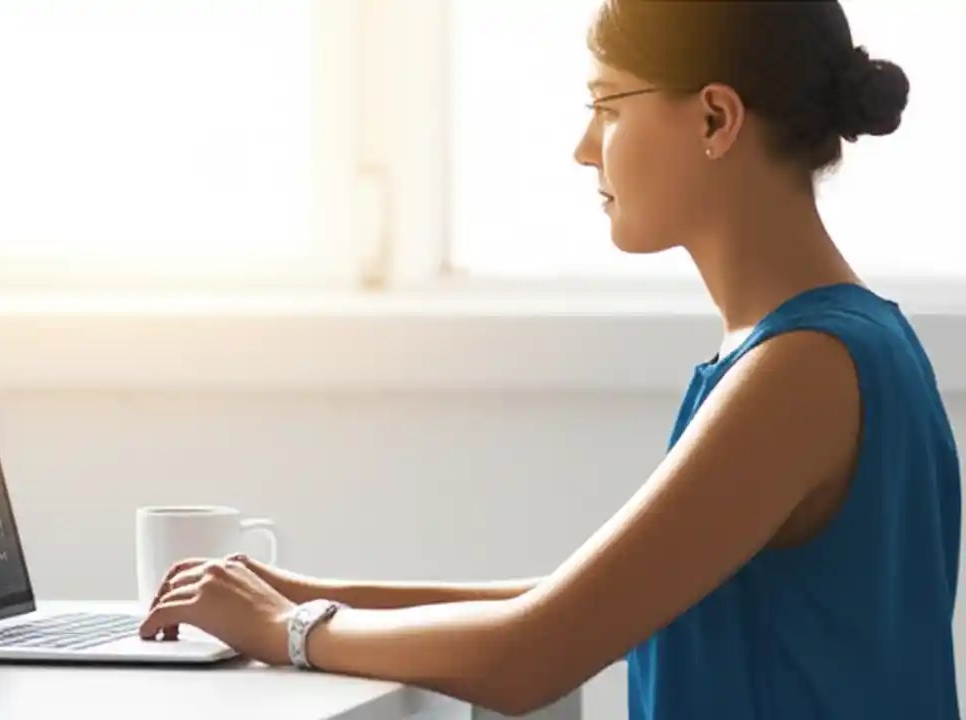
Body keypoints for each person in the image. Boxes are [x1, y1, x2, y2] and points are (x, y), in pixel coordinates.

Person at [138, 2, 961, 717]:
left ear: (715, 119)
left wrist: (289, 632)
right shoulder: (831, 347)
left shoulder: (801, 370)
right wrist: (307, 594)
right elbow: (579, 603)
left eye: (607, 105)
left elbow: (535, 653)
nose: (582, 147)